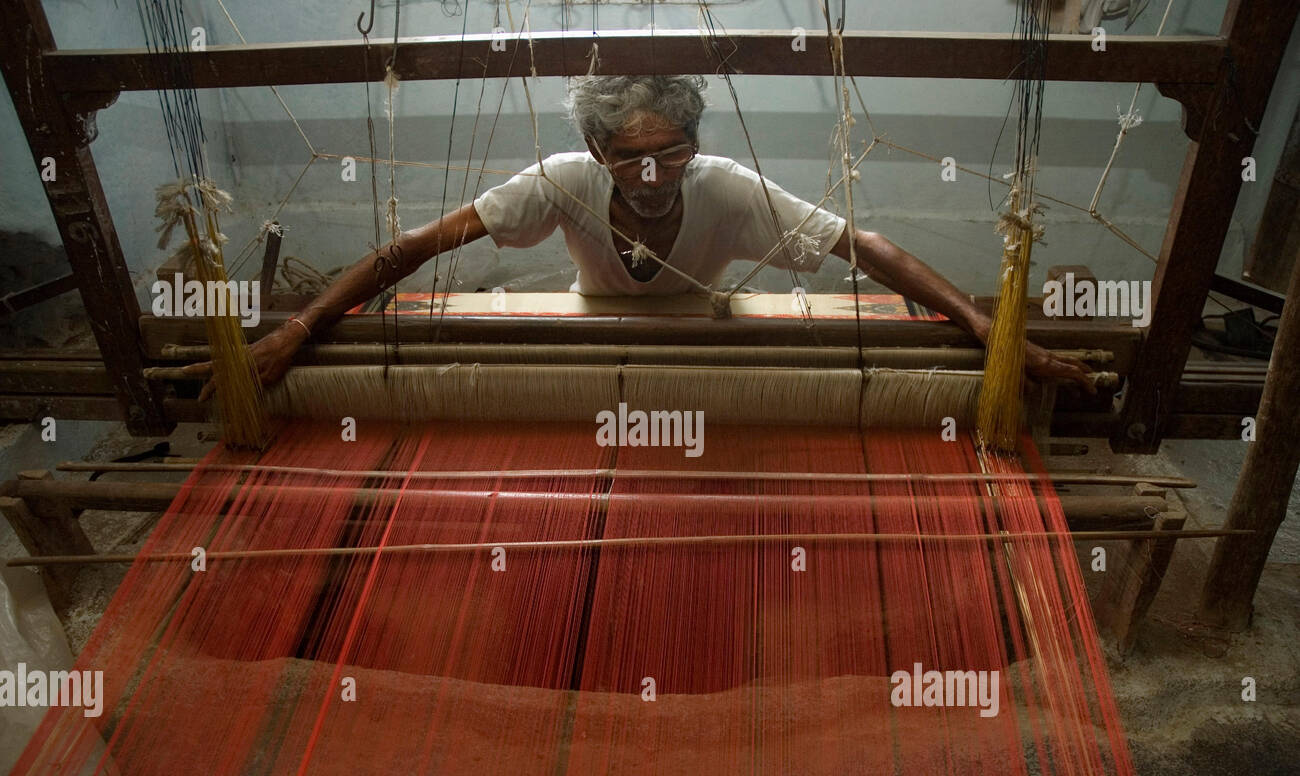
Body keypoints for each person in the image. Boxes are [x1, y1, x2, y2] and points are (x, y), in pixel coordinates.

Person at [187, 74, 1094, 399]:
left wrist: (985, 329)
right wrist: (300, 330)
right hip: (588, 332)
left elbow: (870, 247)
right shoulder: (562, 182)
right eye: (630, 159)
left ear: (695, 146)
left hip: (713, 340)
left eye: (673, 154)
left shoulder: (727, 190)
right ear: (597, 152)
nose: (653, 177)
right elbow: (411, 251)